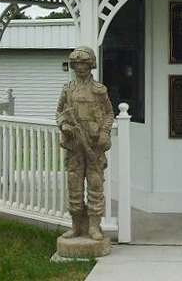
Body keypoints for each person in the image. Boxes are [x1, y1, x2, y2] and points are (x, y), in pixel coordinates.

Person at [56, 46, 114, 241]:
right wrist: (64, 125)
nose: (81, 69)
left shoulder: (99, 90)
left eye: (85, 65)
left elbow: (109, 113)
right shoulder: (67, 90)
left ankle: (94, 226)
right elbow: (59, 112)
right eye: (77, 65)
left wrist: (104, 132)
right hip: (74, 145)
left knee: (96, 184)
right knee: (74, 184)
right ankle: (76, 226)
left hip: (94, 144)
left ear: (91, 66)